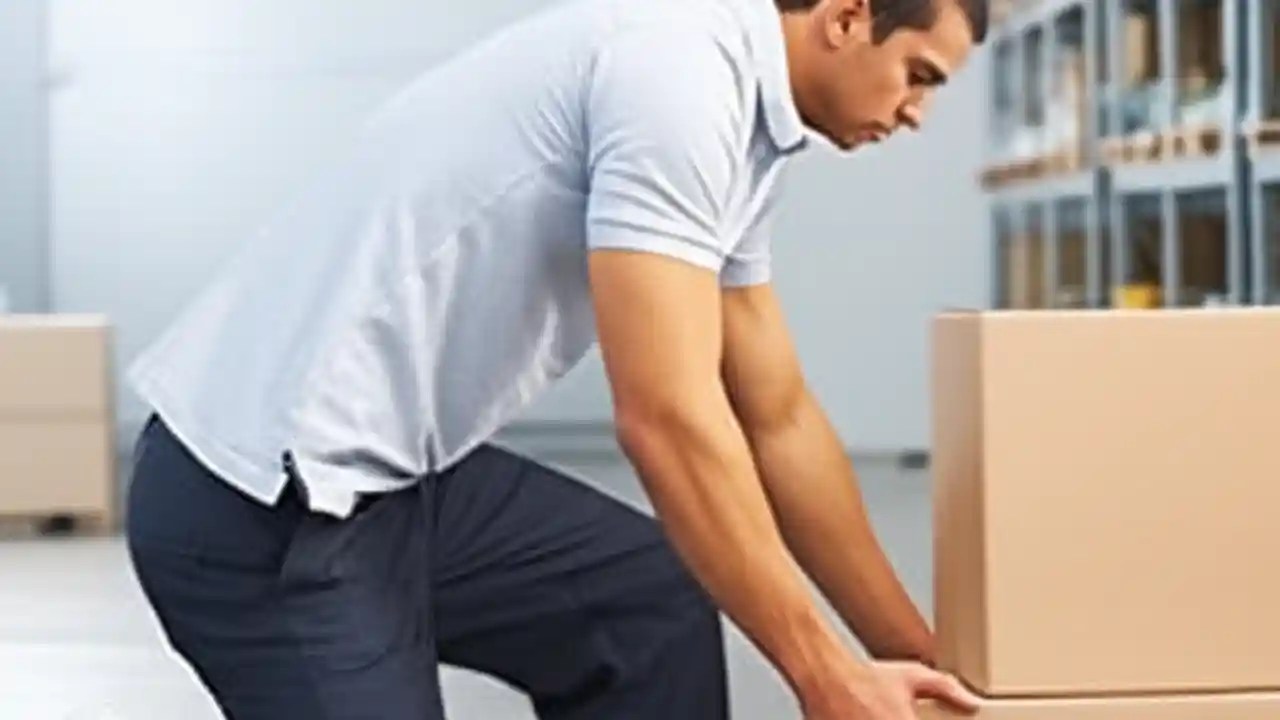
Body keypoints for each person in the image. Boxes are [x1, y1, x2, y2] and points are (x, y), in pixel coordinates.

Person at [123, 0, 987, 717]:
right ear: (846, 16)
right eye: (919, 76)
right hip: (255, 503)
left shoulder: (745, 133)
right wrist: (823, 675)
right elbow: (667, 421)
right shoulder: (679, 79)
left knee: (643, 601)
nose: (918, 113)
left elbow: (778, 415)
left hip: (391, 493)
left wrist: (924, 665)